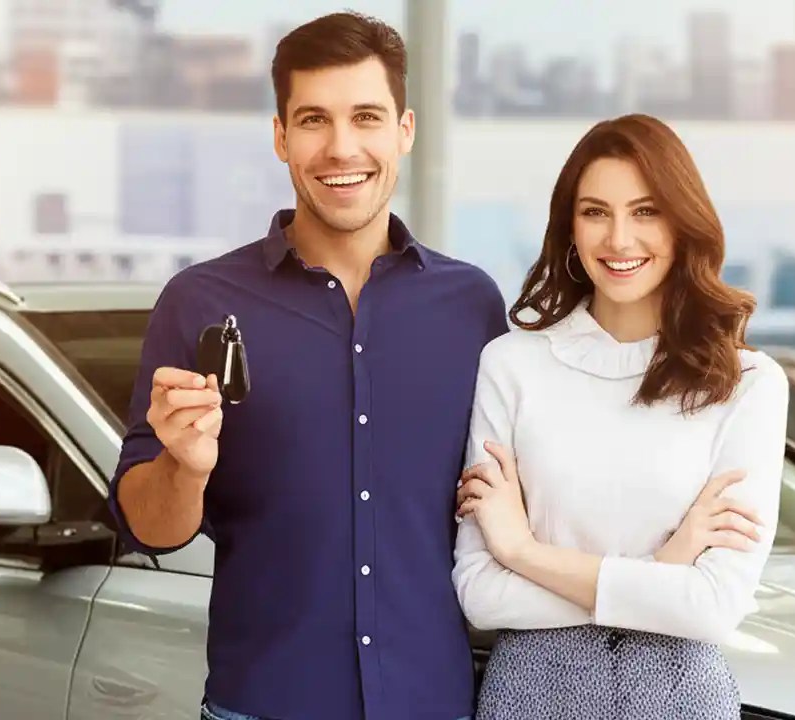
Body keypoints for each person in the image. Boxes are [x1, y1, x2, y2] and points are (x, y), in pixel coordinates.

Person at [110, 12, 507, 720]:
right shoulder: (199, 303)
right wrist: (185, 468)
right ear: (280, 136)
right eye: (315, 119)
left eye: (366, 117)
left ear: (404, 131)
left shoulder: (471, 307)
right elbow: (149, 529)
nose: (341, 146)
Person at [452, 113, 790, 719]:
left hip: (682, 699)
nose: (619, 239)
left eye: (645, 211)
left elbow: (713, 606)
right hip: (530, 697)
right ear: (570, 228)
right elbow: (481, 594)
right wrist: (663, 575)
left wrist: (524, 553)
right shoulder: (512, 365)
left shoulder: (750, 385)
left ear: (681, 223)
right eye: (595, 212)